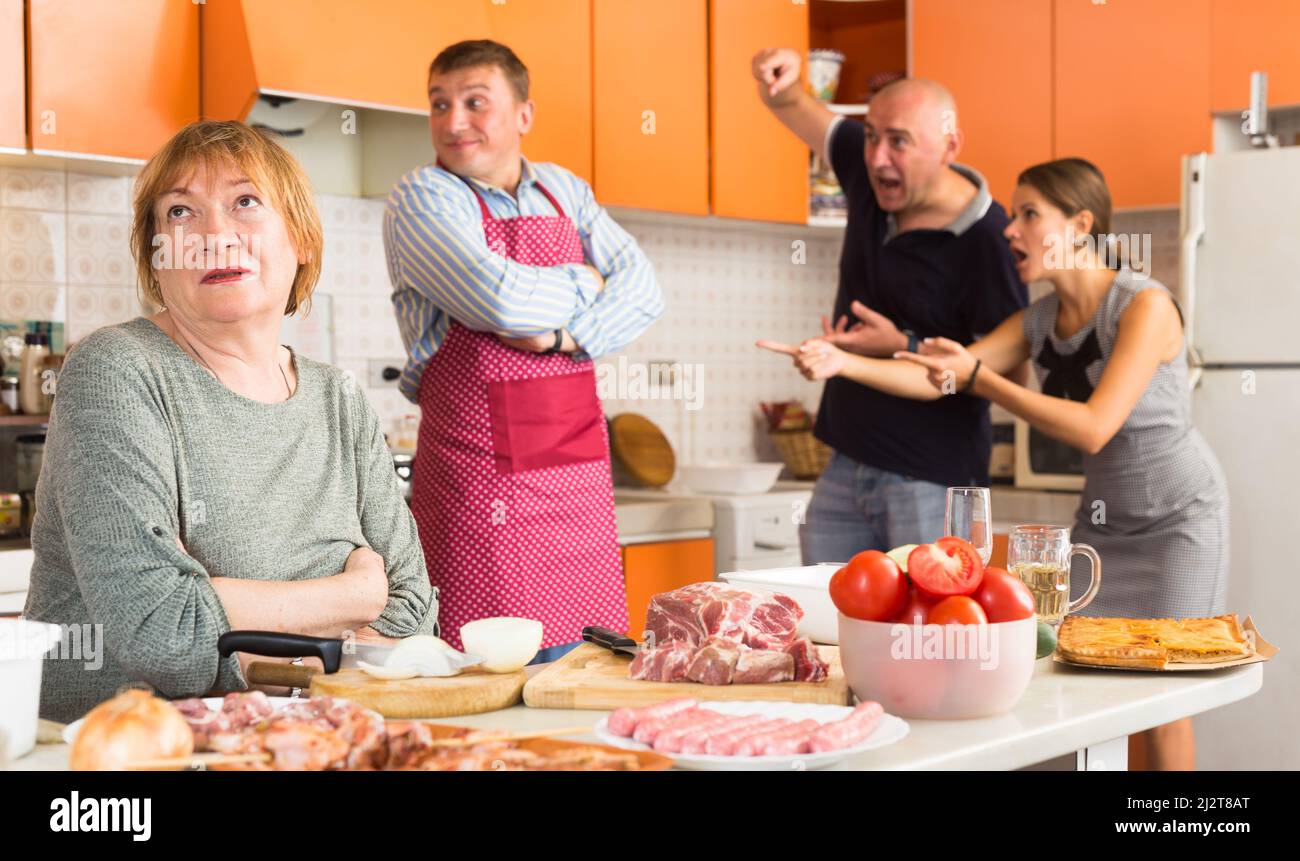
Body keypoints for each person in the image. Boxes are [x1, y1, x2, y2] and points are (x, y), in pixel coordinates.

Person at [761, 157, 1228, 771]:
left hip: (1177, 522)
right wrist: (840, 364)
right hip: (1104, 525)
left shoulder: (1144, 305)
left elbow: (1092, 427)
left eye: (1030, 214)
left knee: (1168, 698)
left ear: (1081, 225)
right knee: (1087, 682)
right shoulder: (1037, 320)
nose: (1011, 230)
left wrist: (982, 379)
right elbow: (940, 380)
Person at [24, 120, 436, 723]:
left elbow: (413, 615)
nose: (214, 235)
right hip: (131, 759)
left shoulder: (339, 400)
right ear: (156, 258)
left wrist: (224, 611)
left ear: (300, 238)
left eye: (245, 202)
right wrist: (354, 596)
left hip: (310, 748)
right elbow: (160, 632)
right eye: (181, 213)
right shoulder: (115, 370)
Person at [384, 40, 663, 662]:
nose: (453, 121)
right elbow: (498, 300)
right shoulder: (422, 196)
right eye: (438, 104)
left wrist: (567, 337)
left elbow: (645, 289)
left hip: (577, 479)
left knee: (587, 665)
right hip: (478, 485)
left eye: (474, 102)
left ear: (523, 115)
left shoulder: (566, 190)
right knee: (486, 667)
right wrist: (586, 281)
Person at [750, 49, 1026, 563]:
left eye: (898, 141)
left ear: (949, 146)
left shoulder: (988, 239)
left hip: (934, 479)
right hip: (845, 460)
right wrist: (781, 78)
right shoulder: (867, 166)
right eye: (873, 135)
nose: (877, 156)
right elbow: (792, 105)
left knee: (934, 636)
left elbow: (1007, 374)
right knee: (830, 625)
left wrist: (904, 346)